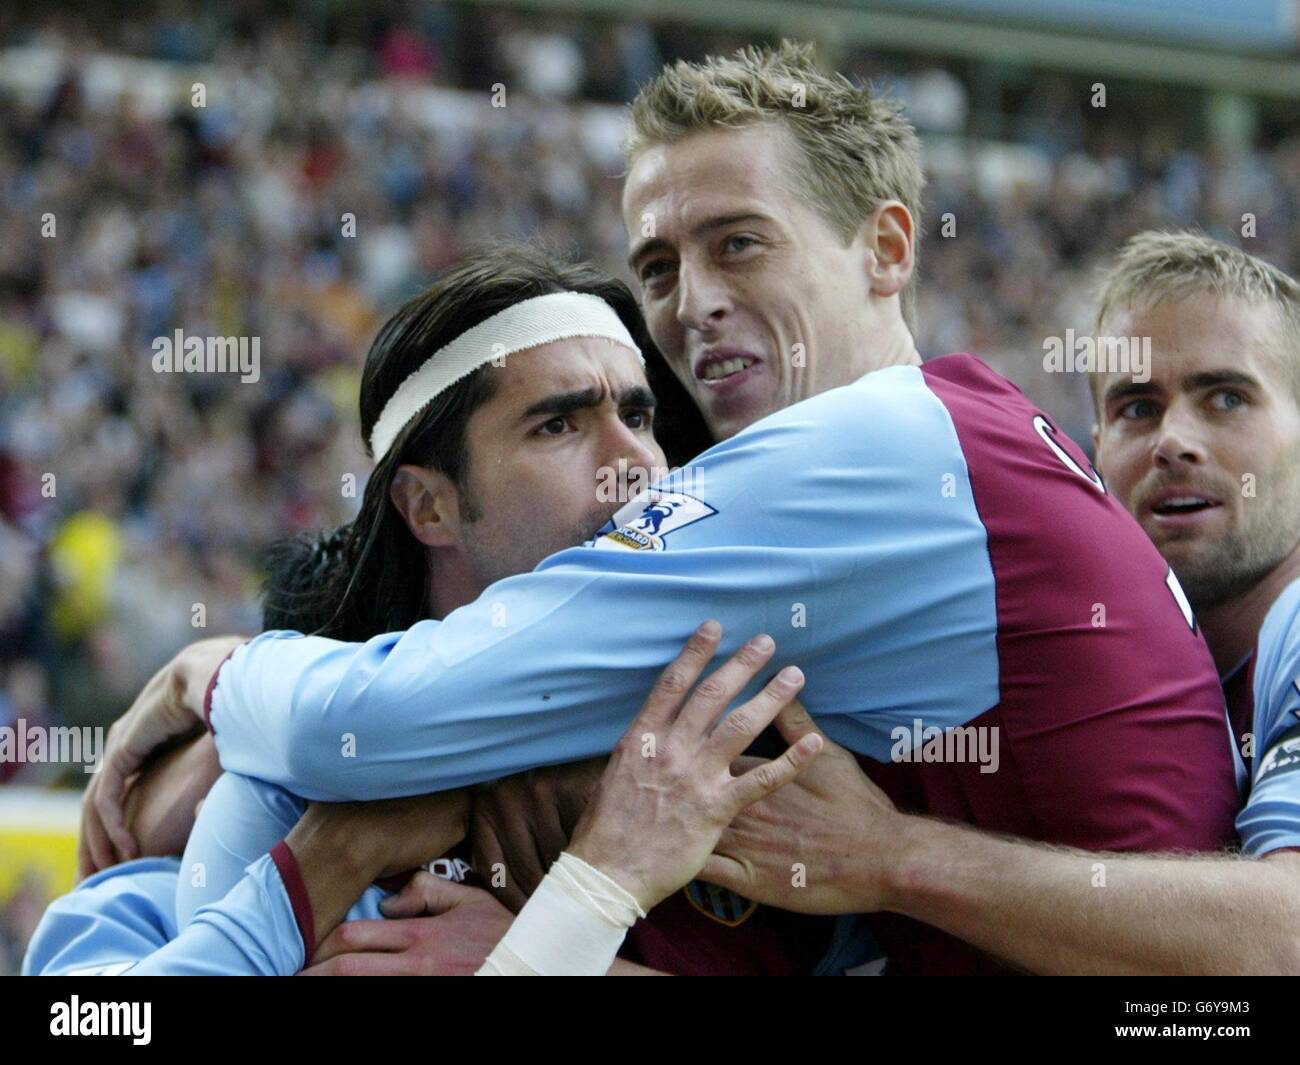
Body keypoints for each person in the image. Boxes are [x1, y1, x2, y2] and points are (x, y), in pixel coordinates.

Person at [85, 42, 1239, 975]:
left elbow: (371, 725)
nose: (692, 305)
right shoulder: (955, 428)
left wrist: (219, 671)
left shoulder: (860, 451)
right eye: (657, 267)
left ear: (885, 246)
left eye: (739, 244)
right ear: (424, 504)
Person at [698, 230, 1300, 975]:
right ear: (1089, 454)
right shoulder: (1070, 663)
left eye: (1227, 397)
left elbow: (1285, 941)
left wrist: (891, 854)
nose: (1173, 440)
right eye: (1138, 408)